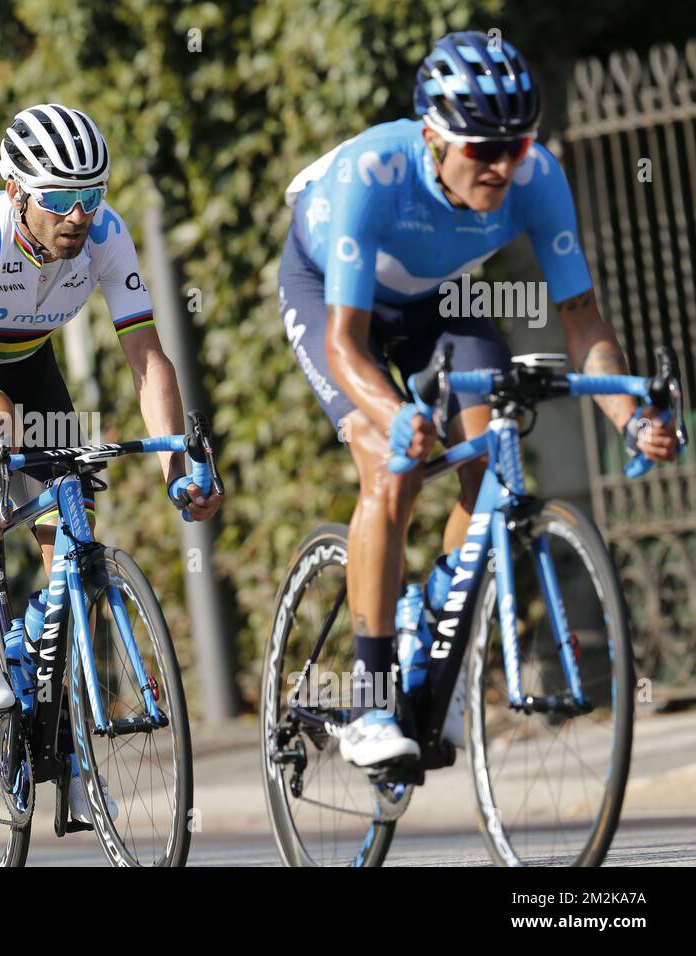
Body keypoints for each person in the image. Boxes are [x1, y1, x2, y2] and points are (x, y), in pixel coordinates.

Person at [280, 32, 679, 770]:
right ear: (433, 138)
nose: (501, 167)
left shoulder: (538, 177)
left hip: (445, 300)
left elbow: (582, 317)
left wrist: (632, 418)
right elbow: (345, 345)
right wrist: (397, 414)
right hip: (334, 297)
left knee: (493, 462)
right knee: (388, 462)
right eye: (480, 150)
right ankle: (369, 699)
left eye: (515, 147)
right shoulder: (375, 173)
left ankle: (439, 635)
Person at [0, 104, 223, 823]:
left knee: (71, 516)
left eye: (91, 196)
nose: (78, 216)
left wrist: (176, 464)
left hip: (25, 358)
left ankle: (65, 747)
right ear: (16, 192)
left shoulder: (104, 233)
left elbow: (147, 358)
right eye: (60, 199)